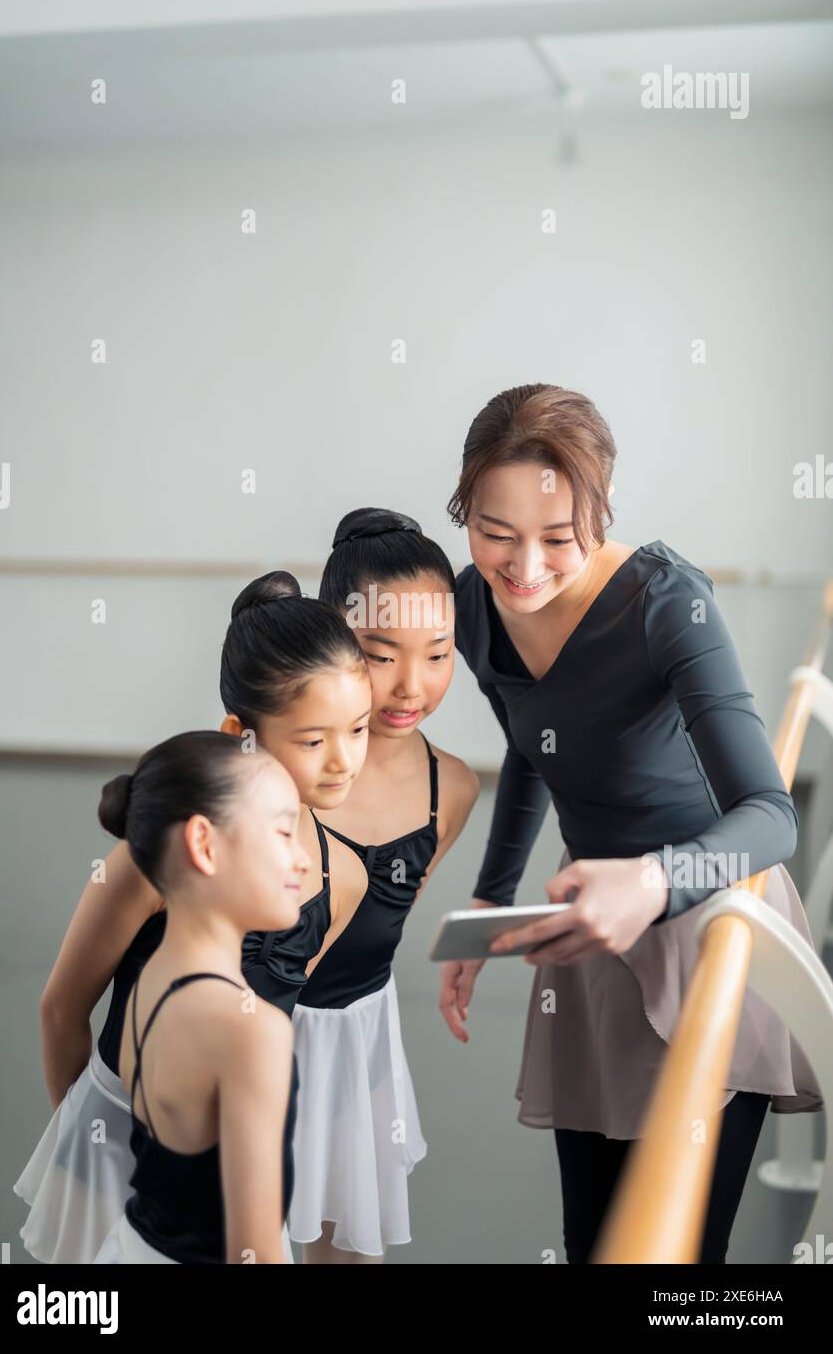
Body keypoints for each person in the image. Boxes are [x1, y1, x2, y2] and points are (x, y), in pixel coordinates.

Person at [440, 382, 823, 1264]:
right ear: (464, 509)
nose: (523, 566)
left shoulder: (665, 603)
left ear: (601, 514)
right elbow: (535, 746)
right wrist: (488, 910)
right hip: (592, 946)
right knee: (595, 1245)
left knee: (679, 1262)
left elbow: (771, 817)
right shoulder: (473, 606)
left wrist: (651, 881)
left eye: (558, 540)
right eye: (494, 533)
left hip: (712, 929)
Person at [15, 573, 370, 1262]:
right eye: (313, 740)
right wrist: (91, 1150)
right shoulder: (166, 851)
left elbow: (268, 1031)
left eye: (356, 730)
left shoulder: (344, 878)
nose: (345, 760)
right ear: (240, 735)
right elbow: (62, 1008)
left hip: (224, 1160)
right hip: (124, 1137)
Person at [279, 509, 479, 1263]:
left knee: (348, 1250)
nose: (411, 686)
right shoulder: (270, 768)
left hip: (353, 1045)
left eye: (437, 654)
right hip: (246, 1031)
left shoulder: (449, 790)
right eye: (378, 654)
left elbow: (375, 928)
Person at [92, 730, 306, 1263]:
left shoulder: (152, 980)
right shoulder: (250, 1029)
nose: (303, 860)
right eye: (285, 832)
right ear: (204, 844)